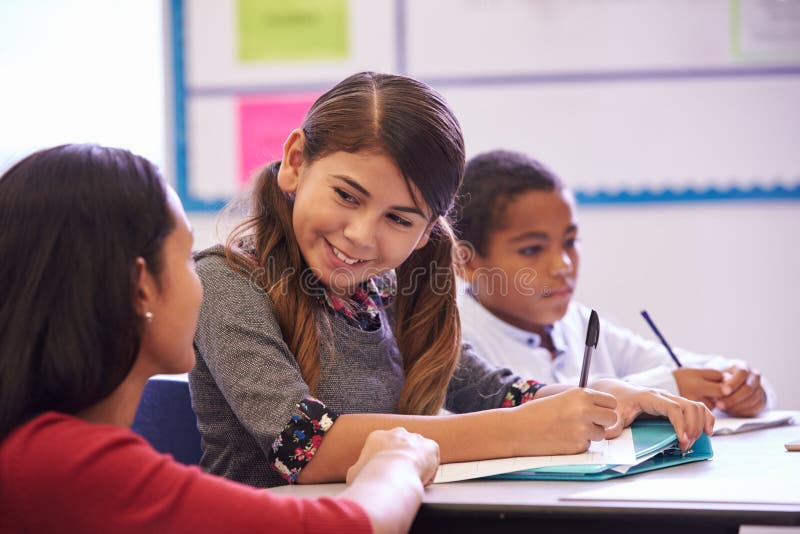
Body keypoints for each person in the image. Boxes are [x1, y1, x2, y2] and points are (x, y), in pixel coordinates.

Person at [190, 71, 714, 490]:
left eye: (399, 219)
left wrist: (606, 395)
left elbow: (494, 392)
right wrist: (519, 432)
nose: (361, 236)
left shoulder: (387, 290)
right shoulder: (228, 281)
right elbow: (305, 447)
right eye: (347, 196)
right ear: (296, 162)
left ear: (424, 234)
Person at [0, 144, 441, 534]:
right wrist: (397, 460)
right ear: (142, 287)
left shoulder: (46, 450)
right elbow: (345, 529)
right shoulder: (67, 466)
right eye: (189, 259)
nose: (204, 278)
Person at [453, 149, 772, 418]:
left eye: (570, 241)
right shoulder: (454, 341)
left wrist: (739, 384)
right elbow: (521, 420)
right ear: (466, 261)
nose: (562, 265)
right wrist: (668, 386)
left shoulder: (578, 322)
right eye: (532, 249)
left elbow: (688, 366)